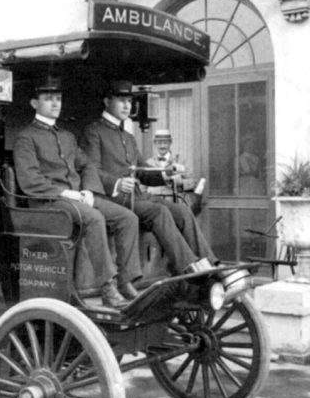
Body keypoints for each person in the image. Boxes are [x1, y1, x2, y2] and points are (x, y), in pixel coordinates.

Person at [81, 80, 248, 296]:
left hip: (138, 197)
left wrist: (166, 173)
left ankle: (211, 265)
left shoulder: (128, 137)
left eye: (129, 101)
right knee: (159, 212)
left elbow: (142, 171)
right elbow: (91, 169)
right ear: (106, 101)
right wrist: (117, 183)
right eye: (121, 101)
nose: (126, 106)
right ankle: (189, 268)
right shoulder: (94, 132)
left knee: (181, 210)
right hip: (114, 200)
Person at [12, 77, 142, 309]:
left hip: (76, 199)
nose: (55, 104)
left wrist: (89, 190)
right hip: (47, 204)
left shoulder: (67, 137)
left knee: (127, 217)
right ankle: (107, 288)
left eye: (58, 99)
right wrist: (68, 194)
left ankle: (126, 281)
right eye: (48, 99)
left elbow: (87, 165)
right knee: (93, 217)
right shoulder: (26, 138)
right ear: (34, 103)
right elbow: (30, 181)